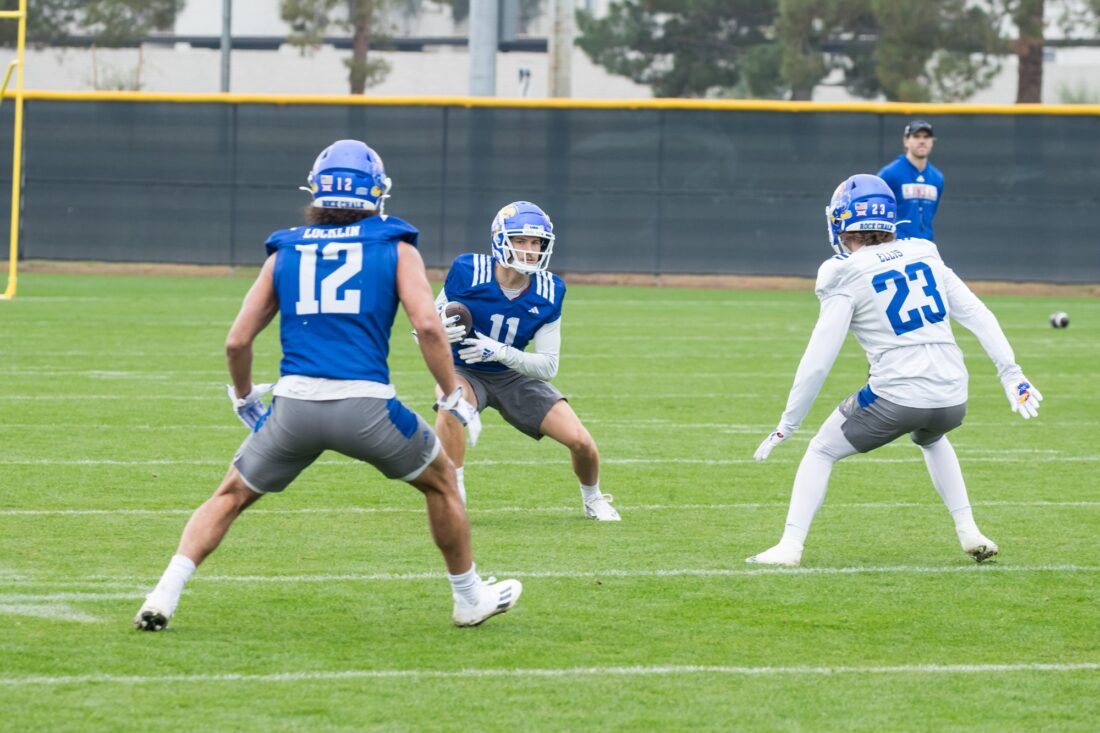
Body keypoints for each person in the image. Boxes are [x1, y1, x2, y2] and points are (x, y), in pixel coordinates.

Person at [134, 140, 521, 631]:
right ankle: (469, 598)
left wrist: (245, 395)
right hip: (369, 409)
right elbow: (428, 326)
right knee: (442, 483)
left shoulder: (285, 249)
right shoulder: (395, 246)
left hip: (293, 408)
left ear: (317, 192)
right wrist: (451, 395)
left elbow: (237, 342)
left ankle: (162, 594)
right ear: (376, 193)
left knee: (228, 496)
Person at [746, 174, 1042, 567]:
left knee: (819, 450)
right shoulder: (923, 251)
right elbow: (977, 314)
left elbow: (818, 359)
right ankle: (969, 529)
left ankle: (790, 546)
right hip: (953, 397)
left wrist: (789, 422)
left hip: (897, 397)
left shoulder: (843, 272)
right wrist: (1011, 373)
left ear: (842, 221)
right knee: (932, 438)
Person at [431, 201, 620, 521]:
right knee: (452, 405)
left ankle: (593, 498)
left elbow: (547, 366)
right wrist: (439, 331)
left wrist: (499, 351)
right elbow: (423, 330)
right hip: (464, 368)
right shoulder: (467, 271)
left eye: (536, 243)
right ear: (500, 240)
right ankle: (453, 492)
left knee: (581, 442)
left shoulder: (550, 290)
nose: (530, 250)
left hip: (512, 373)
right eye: (521, 241)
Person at [877, 119, 943, 241]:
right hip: (897, 245)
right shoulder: (889, 174)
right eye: (916, 136)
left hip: (926, 245)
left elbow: (931, 214)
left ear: (932, 141)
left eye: (927, 137)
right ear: (906, 140)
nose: (922, 141)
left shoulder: (937, 177)